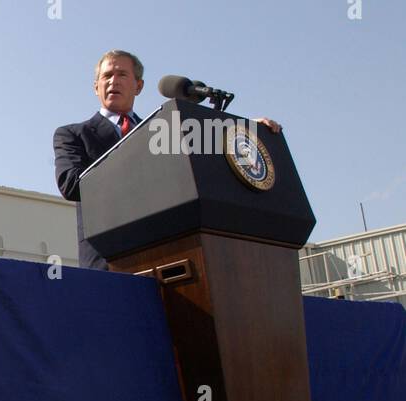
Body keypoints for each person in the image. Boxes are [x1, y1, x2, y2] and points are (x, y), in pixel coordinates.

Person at [53, 49, 282, 270]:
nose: (113, 81)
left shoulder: (161, 131)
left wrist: (245, 132)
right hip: (108, 261)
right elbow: (71, 184)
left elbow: (203, 154)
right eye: (107, 76)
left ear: (139, 86)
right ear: (96, 87)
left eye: (122, 74)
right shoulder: (72, 134)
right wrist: (136, 159)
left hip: (167, 256)